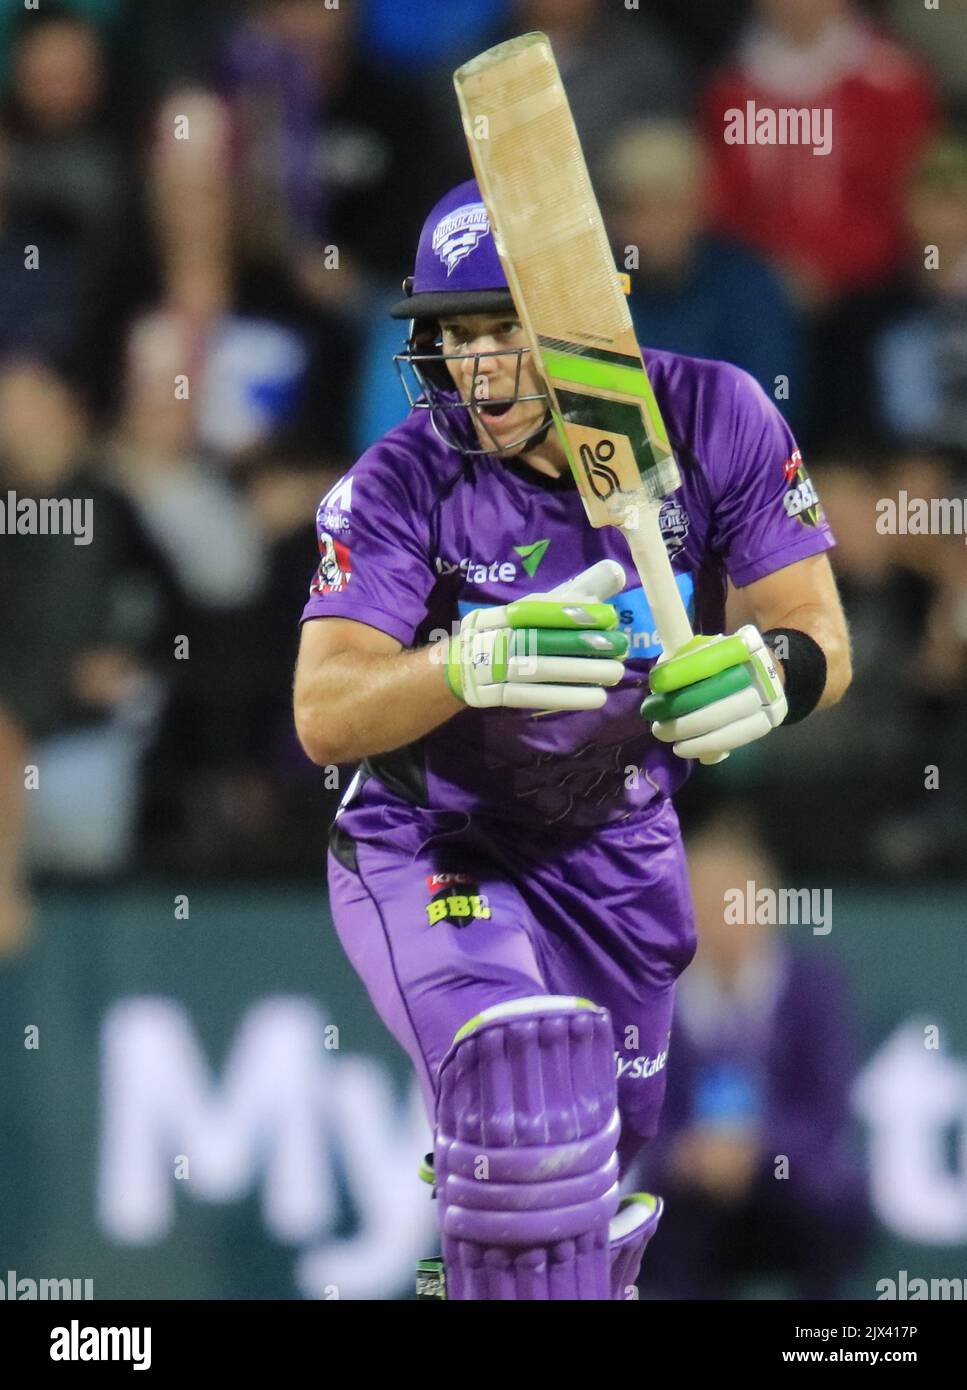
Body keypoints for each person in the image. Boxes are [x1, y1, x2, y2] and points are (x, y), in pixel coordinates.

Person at [292, 180, 852, 1300]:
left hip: (620, 844)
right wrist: (465, 662)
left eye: (504, 328)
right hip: (435, 839)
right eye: (453, 336)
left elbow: (819, 634)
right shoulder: (405, 479)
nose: (475, 367)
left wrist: (764, 679)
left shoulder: (716, 415)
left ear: (591, 316)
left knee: (586, 1206)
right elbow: (324, 713)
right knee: (519, 1081)